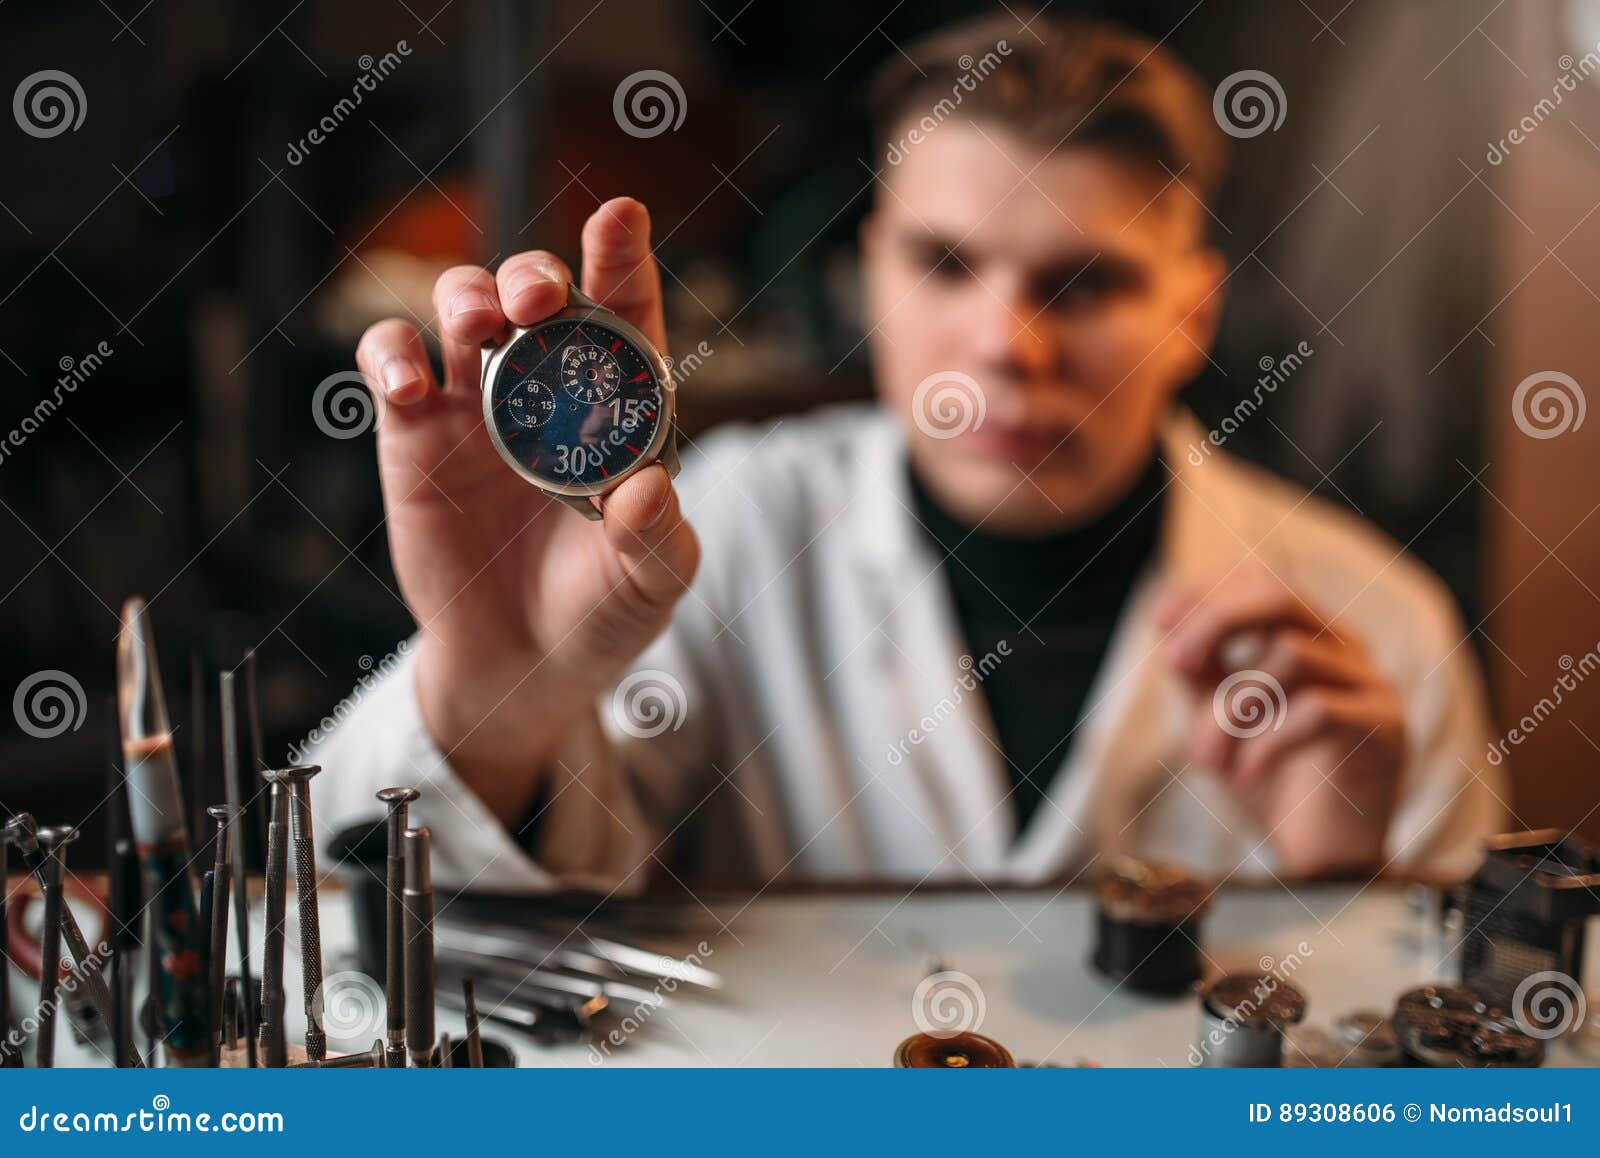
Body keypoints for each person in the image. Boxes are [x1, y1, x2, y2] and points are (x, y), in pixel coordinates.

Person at [311, 15, 1504, 892]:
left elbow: (1475, 1099)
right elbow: (348, 917)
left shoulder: (1376, 629)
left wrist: (1346, 893)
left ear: (1193, 311)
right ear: (868, 276)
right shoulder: (725, 530)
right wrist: (494, 693)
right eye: (944, 265)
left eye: (1083, 283)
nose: (1004, 345)